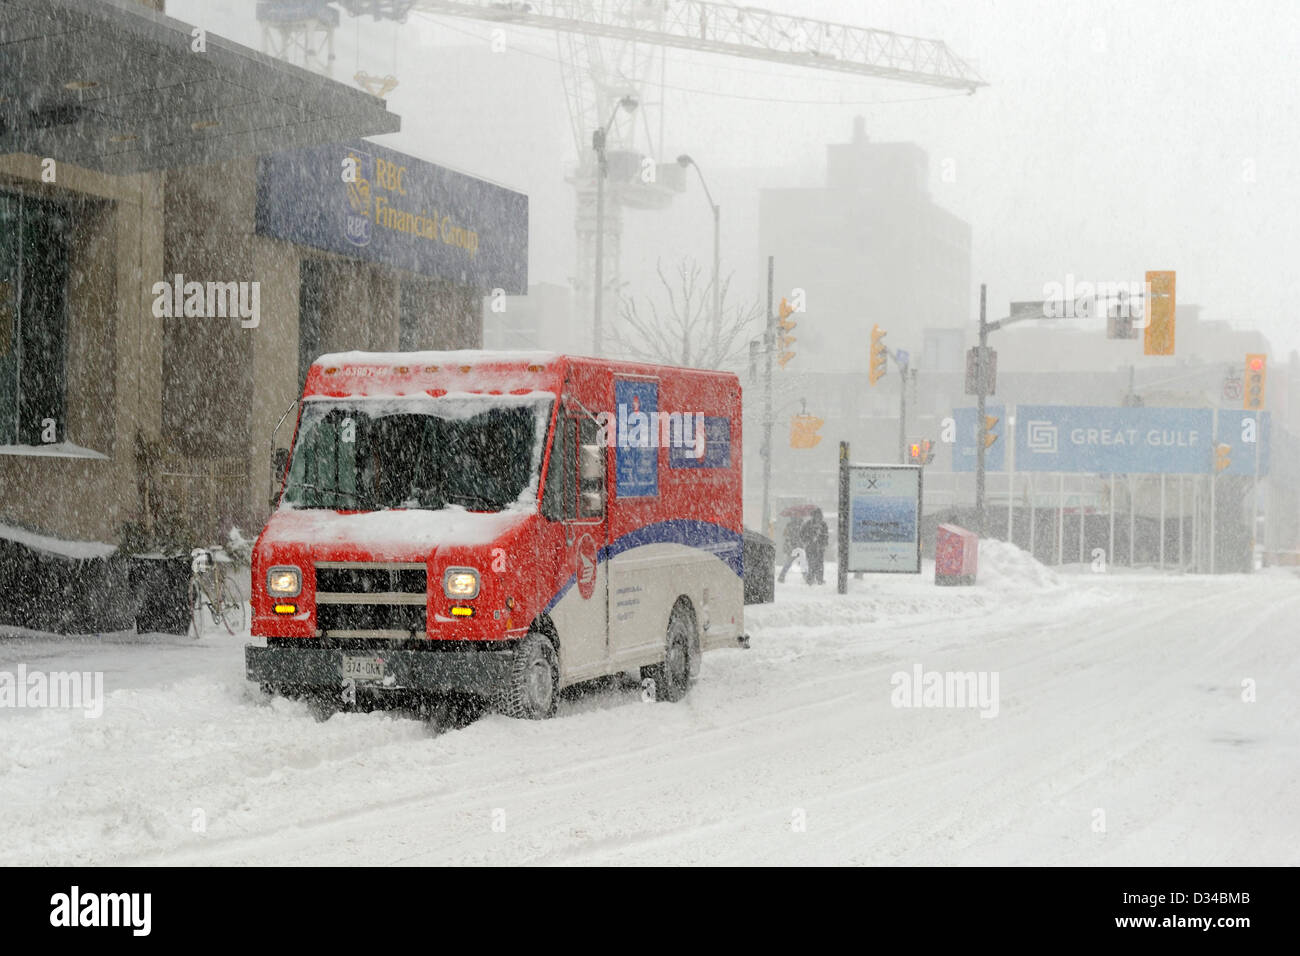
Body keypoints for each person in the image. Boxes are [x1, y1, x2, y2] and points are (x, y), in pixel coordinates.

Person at [803, 508, 829, 585]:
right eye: (816, 515)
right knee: (811, 563)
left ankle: (819, 579)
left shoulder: (823, 524)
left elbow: (826, 535)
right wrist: (807, 540)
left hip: (820, 547)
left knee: (820, 563)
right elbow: (802, 533)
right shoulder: (808, 524)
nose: (818, 517)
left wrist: (824, 543)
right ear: (813, 516)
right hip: (810, 547)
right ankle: (810, 579)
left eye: (819, 515)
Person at [776, 515, 806, 583]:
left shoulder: (800, 525)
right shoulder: (792, 525)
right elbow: (786, 535)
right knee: (797, 563)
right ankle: (781, 577)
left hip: (797, 547)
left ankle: (781, 577)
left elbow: (786, 535)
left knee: (798, 563)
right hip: (794, 547)